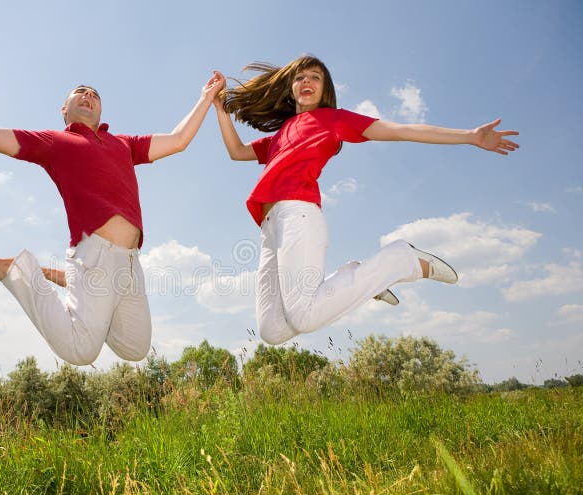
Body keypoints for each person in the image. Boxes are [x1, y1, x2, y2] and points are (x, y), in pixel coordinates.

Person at [0, 72, 226, 365]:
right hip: (94, 251)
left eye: (95, 94)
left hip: (129, 263)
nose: (89, 96)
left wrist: (206, 97)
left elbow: (179, 140)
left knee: (136, 348)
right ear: (65, 110)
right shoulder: (55, 142)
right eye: (81, 93)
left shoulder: (123, 144)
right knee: (82, 352)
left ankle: (69, 281)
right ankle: (20, 271)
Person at [212, 56, 518, 345]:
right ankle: (355, 276)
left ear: (325, 89)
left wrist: (470, 136)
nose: (307, 81)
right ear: (291, 89)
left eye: (315, 77)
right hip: (269, 229)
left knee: (303, 318)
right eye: (300, 77)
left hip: (297, 215)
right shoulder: (282, 134)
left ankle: (402, 260)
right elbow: (236, 152)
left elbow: (400, 130)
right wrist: (219, 106)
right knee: (272, 330)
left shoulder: (333, 119)